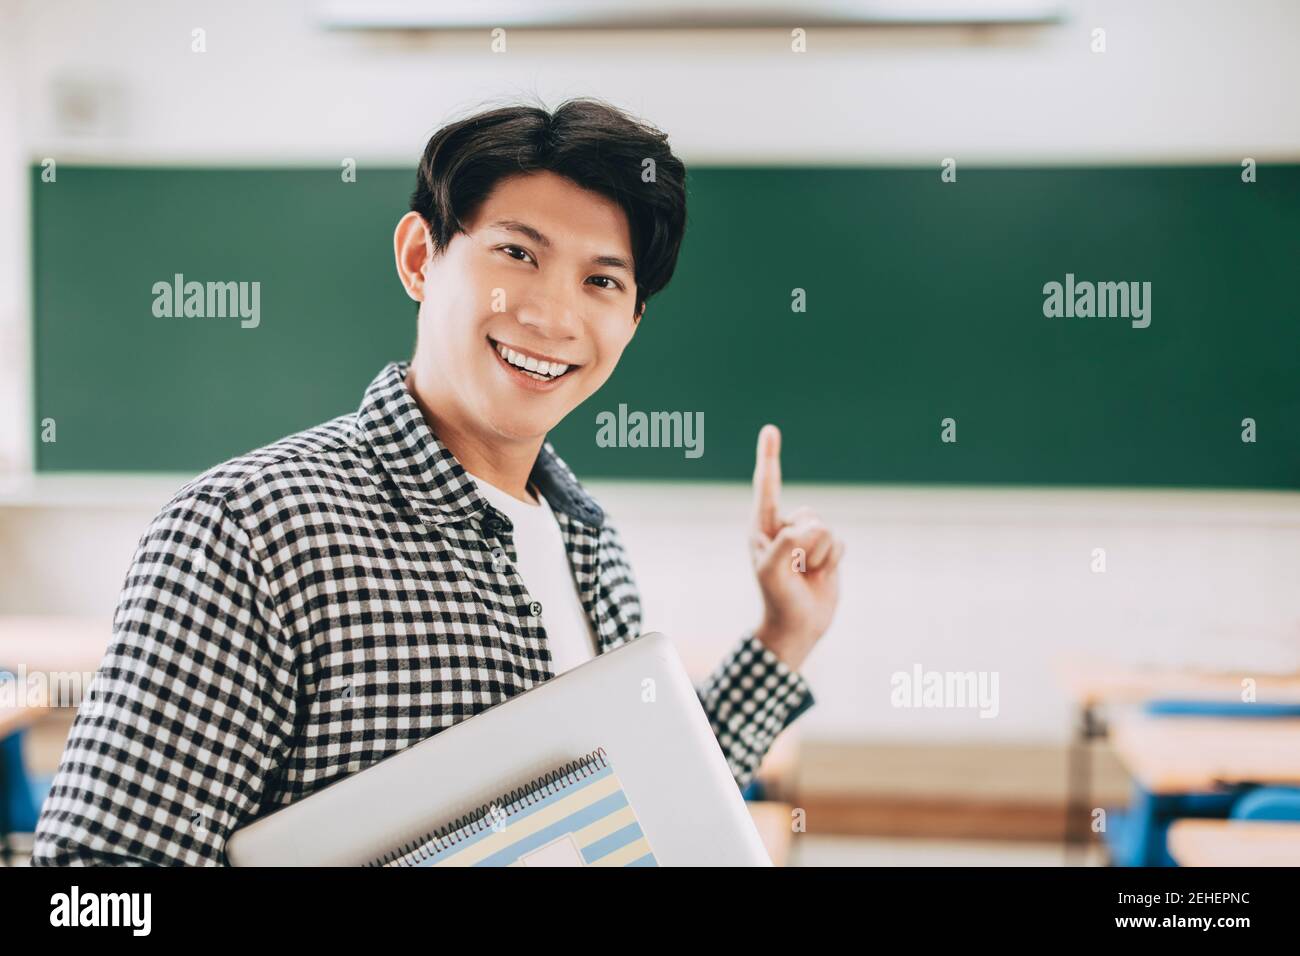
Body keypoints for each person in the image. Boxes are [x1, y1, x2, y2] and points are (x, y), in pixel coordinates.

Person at [32, 98, 844, 865]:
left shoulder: (588, 543)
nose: (553, 317)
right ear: (421, 258)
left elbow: (639, 789)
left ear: (631, 323)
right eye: (518, 254)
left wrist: (783, 636)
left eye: (602, 281)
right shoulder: (247, 532)